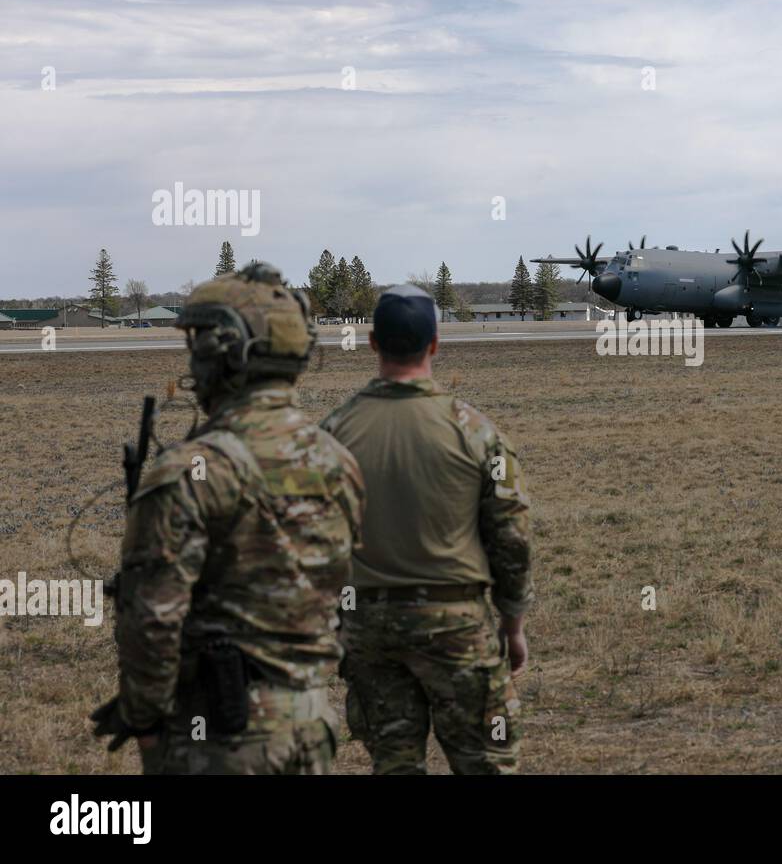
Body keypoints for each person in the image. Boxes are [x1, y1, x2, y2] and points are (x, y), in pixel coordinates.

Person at [90, 263, 365, 774]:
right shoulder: (337, 460)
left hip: (222, 739)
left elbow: (151, 619)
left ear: (226, 353)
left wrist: (147, 726)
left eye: (198, 343)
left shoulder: (190, 472)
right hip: (311, 723)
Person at [321, 284, 532, 774]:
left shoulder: (334, 432)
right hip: (456, 622)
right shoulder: (475, 432)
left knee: (394, 764)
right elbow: (511, 537)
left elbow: (311, 543)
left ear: (373, 343)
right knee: (483, 761)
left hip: (370, 627)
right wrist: (513, 622)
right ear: (436, 343)